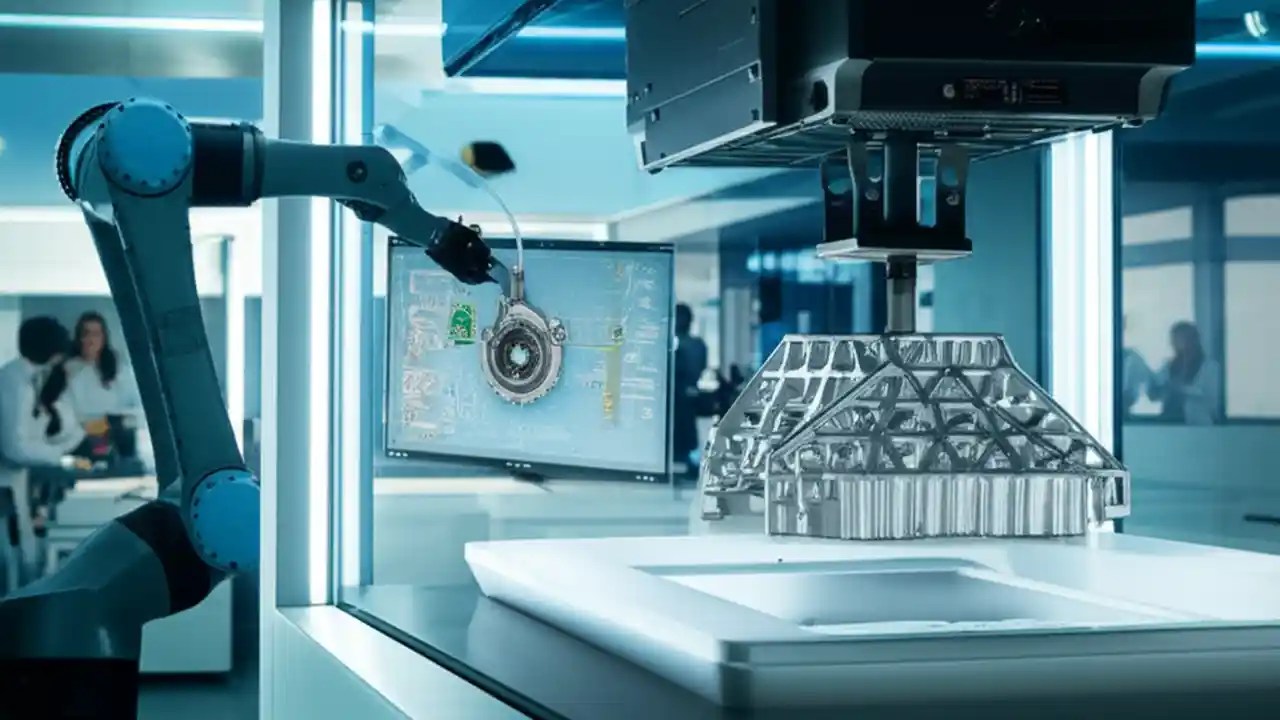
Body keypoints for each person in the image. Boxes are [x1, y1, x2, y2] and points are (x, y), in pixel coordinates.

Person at [0, 317, 88, 582]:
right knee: (13, 563)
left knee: (23, 559)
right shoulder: (16, 383)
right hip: (6, 484)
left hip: (18, 483)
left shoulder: (27, 379)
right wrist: (60, 458)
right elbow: (15, 447)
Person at [65, 312, 143, 461]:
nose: (90, 340)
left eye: (95, 334)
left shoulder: (118, 368)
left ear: (104, 337)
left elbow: (134, 404)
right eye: (85, 334)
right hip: (80, 436)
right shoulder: (68, 368)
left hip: (115, 432)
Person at [1149, 321, 1220, 425]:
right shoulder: (1168, 366)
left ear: (1194, 340)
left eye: (1181, 339)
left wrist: (1181, 389)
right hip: (1168, 425)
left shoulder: (1210, 367)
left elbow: (1212, 399)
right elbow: (1154, 394)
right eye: (1174, 340)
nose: (1176, 344)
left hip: (1198, 426)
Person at [673, 304, 708, 476]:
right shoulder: (697, 345)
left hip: (680, 397)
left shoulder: (682, 345)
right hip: (687, 396)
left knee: (683, 429)